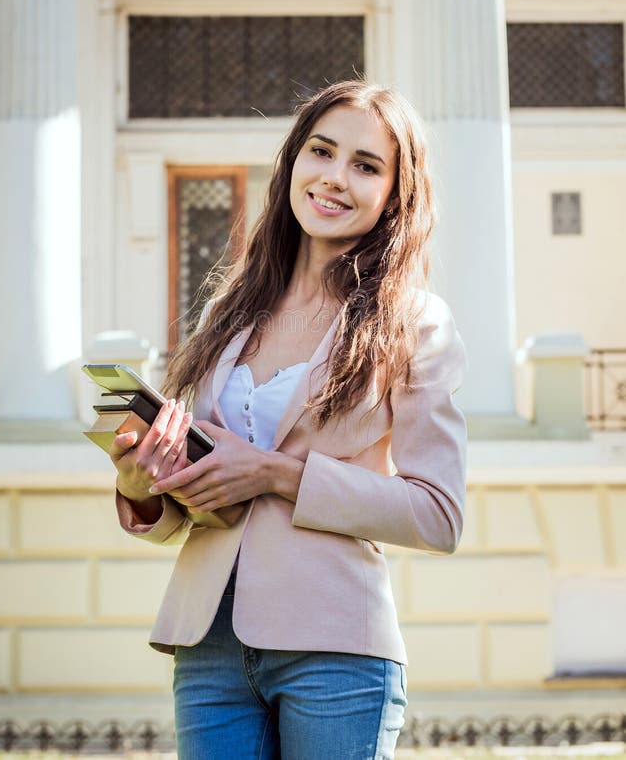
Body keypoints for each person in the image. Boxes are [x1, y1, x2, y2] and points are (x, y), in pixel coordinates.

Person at [110, 80, 468, 760]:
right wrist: (140, 482)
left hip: (334, 645)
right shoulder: (229, 315)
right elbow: (204, 498)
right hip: (208, 644)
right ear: (293, 162)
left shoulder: (417, 322)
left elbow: (438, 514)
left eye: (366, 166)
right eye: (321, 151)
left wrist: (277, 473)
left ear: (395, 193)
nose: (335, 178)